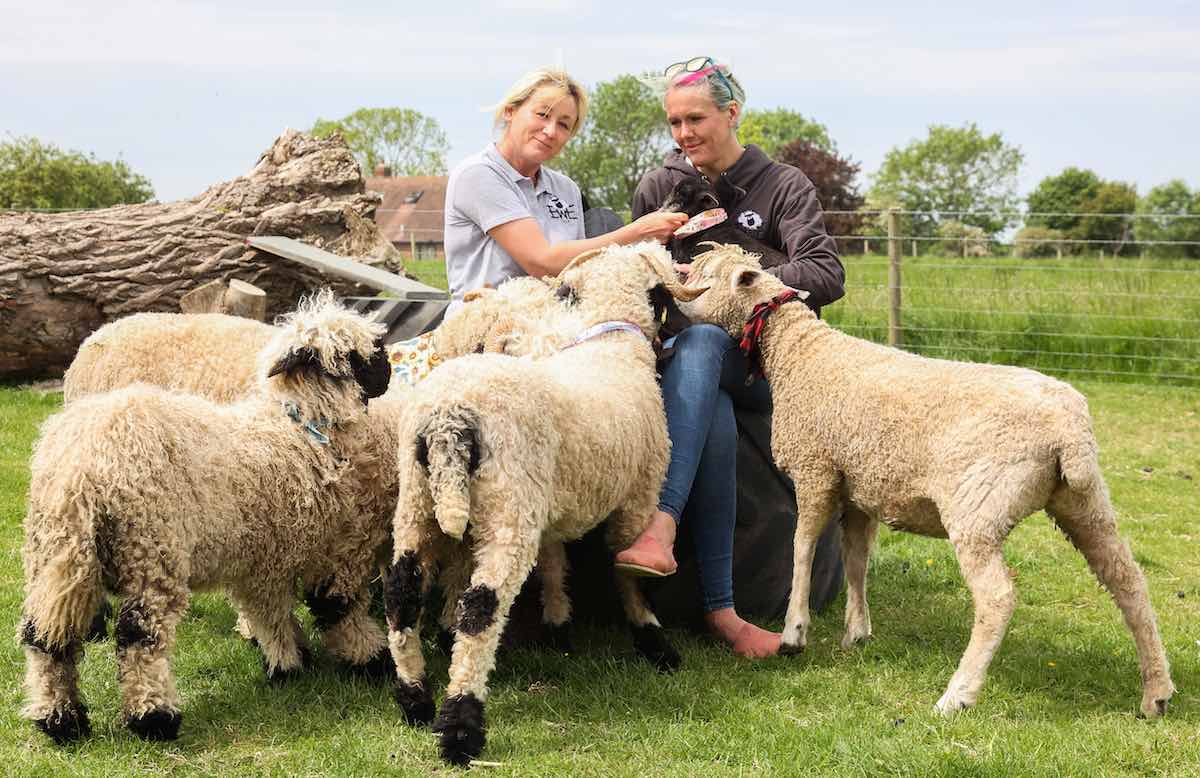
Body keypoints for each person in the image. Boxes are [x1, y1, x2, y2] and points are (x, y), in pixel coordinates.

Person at [613, 56, 846, 658]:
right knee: (703, 368)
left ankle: (662, 522)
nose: (684, 134)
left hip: (768, 368)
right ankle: (724, 612)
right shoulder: (657, 187)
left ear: (732, 113)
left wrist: (732, 277)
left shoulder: (784, 185)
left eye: (696, 119)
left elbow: (824, 273)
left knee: (709, 342)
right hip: (689, 362)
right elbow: (636, 277)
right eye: (673, 123)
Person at [443, 68, 688, 314]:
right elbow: (543, 262)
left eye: (564, 125)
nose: (550, 131)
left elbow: (581, 269)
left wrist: (663, 270)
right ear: (510, 110)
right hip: (488, 325)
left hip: (553, 326)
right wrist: (638, 231)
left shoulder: (565, 188)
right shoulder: (478, 175)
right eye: (542, 114)